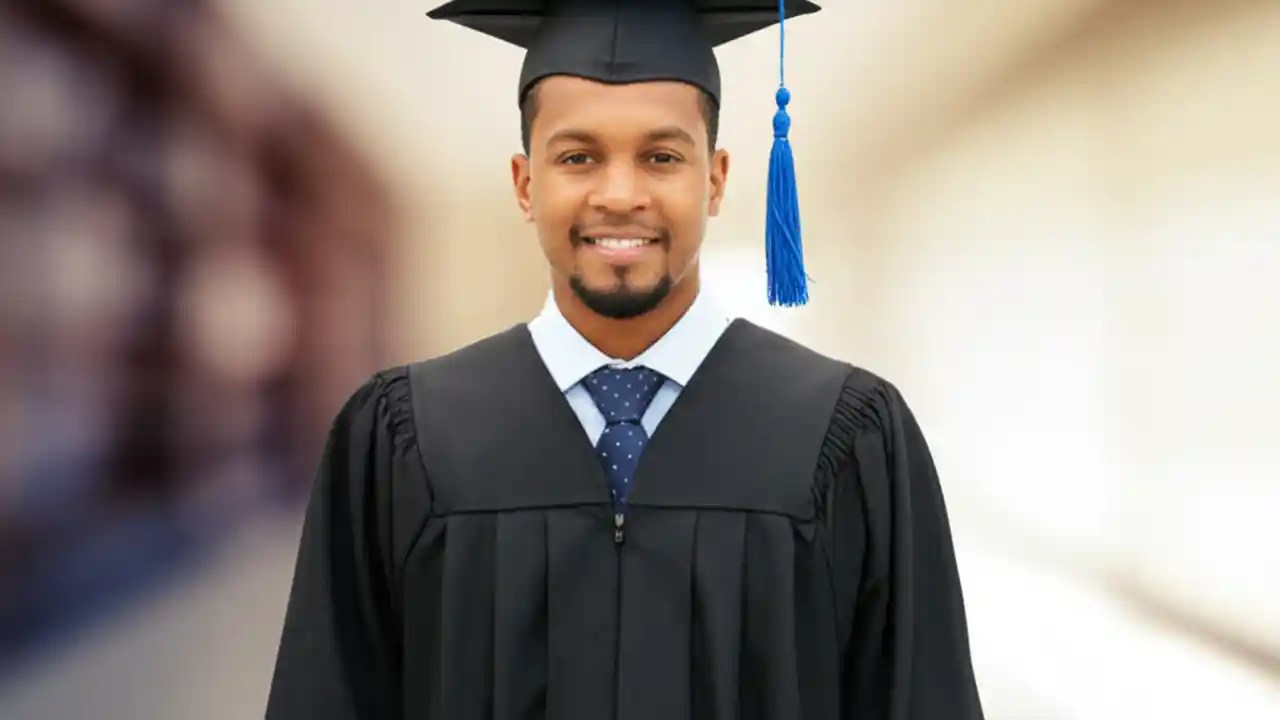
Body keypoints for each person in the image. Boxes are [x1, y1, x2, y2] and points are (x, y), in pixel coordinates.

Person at [265, 1, 985, 717]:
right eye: (578, 157)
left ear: (715, 180)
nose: (619, 194)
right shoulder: (404, 440)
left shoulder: (847, 436)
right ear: (524, 183)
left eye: (661, 157)